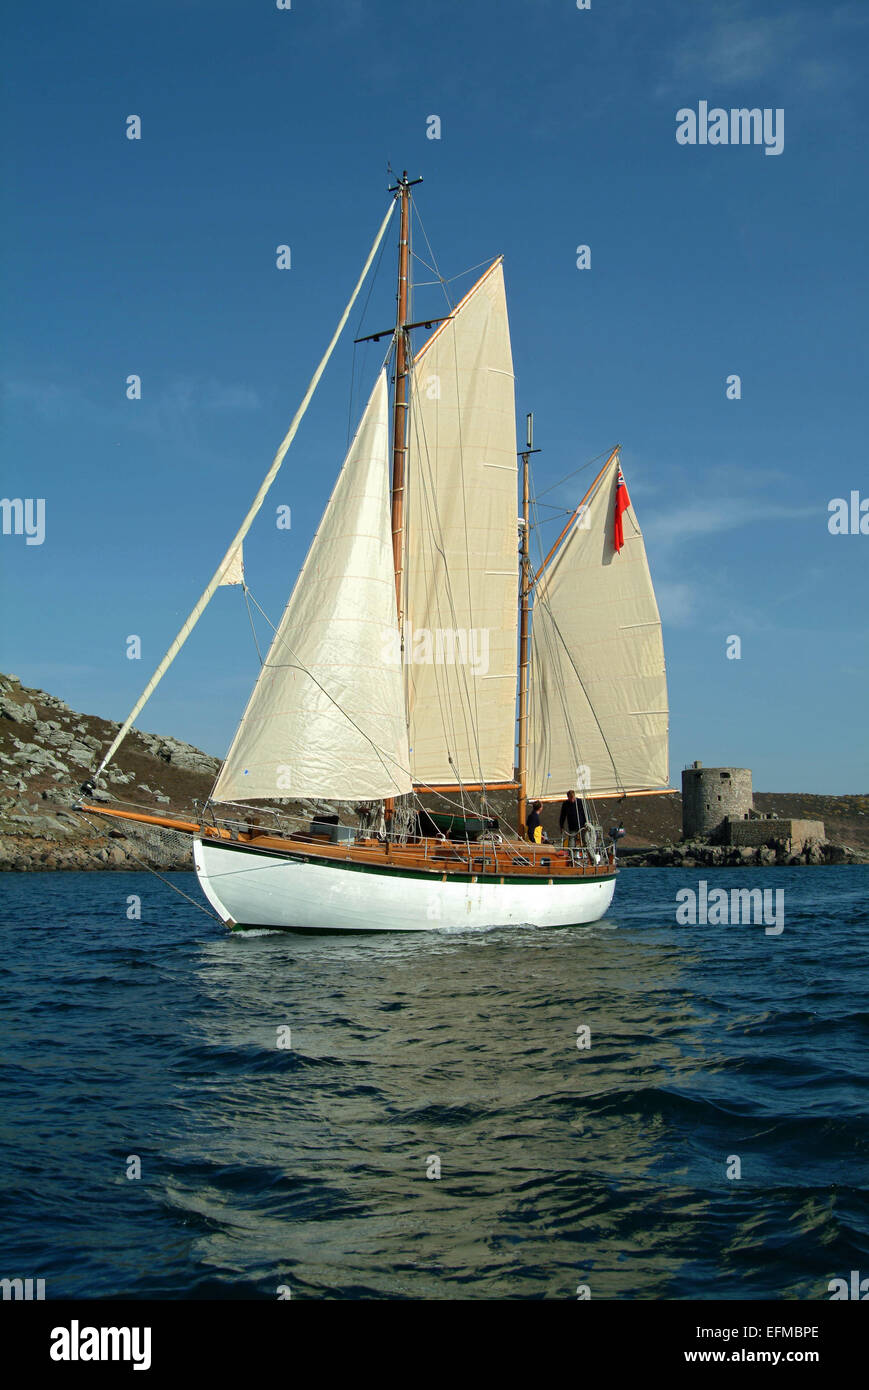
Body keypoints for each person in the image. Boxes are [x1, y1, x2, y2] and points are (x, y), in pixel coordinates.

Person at [559, 789, 588, 856]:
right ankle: (571, 857)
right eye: (570, 798)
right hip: (572, 827)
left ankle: (587, 855)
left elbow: (585, 814)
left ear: (574, 796)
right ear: (568, 797)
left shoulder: (580, 802)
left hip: (582, 826)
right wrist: (561, 826)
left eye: (573, 798)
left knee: (585, 841)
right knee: (571, 843)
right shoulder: (566, 804)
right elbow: (562, 816)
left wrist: (586, 823)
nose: (572, 800)